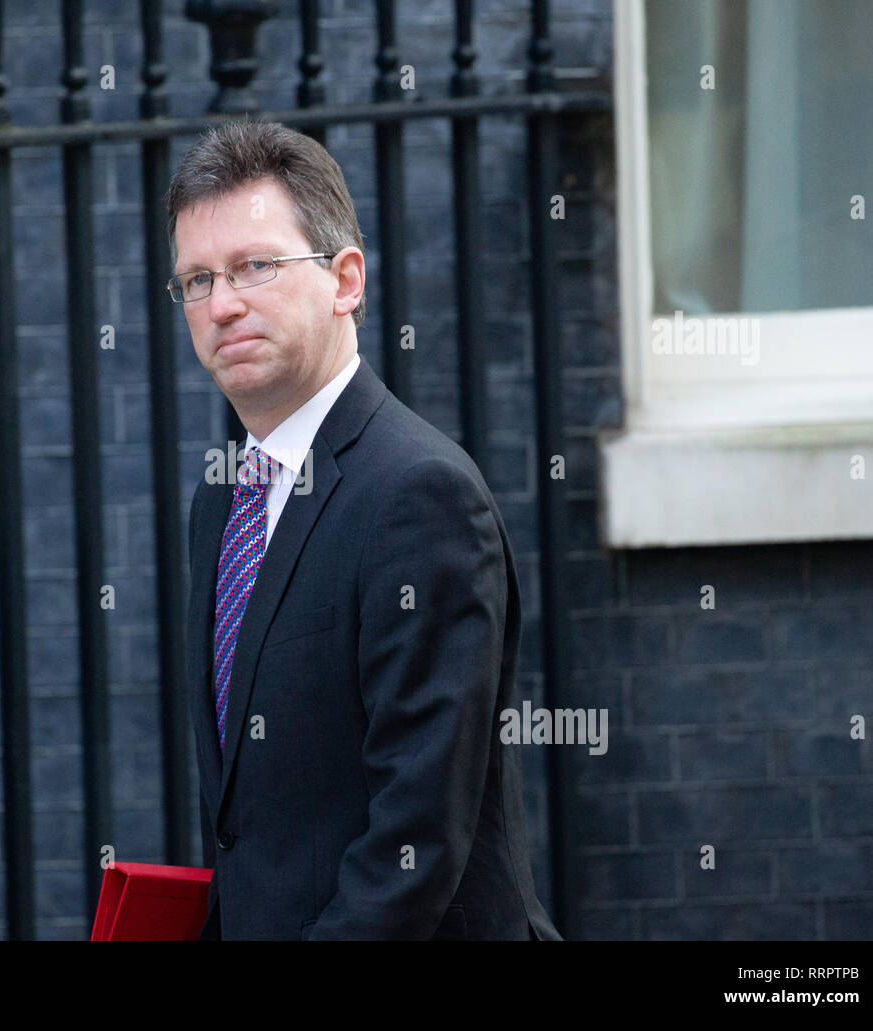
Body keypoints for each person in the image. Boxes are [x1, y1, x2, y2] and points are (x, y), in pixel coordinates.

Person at [166, 119, 561, 940]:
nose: (223, 303)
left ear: (347, 279)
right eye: (196, 281)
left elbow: (412, 841)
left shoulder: (420, 495)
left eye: (255, 266)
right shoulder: (222, 504)